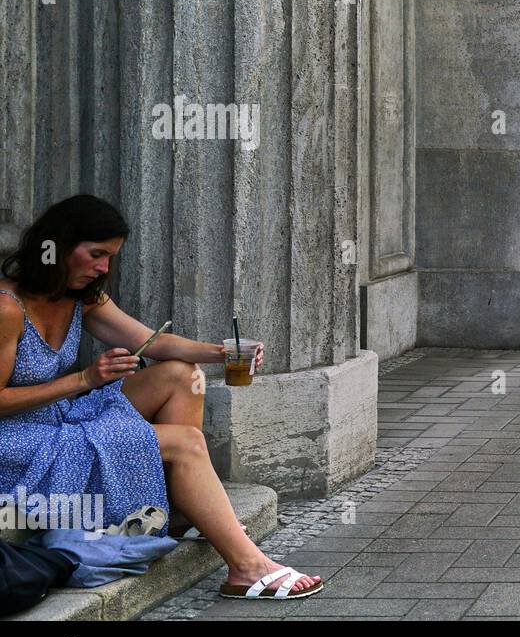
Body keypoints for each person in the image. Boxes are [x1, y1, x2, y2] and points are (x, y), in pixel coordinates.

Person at [0, 195, 323, 600]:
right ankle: (246, 567)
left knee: (183, 377)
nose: (103, 268)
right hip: (14, 443)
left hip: (56, 416)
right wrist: (85, 378)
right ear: (56, 247)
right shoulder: (7, 308)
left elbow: (154, 342)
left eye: (110, 257)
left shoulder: (81, 297)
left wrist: (222, 354)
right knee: (185, 442)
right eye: (96, 254)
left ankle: (183, 506)